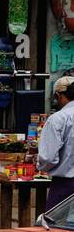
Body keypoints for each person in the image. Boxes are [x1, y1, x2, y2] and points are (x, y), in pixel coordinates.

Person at [39, 76, 74, 211]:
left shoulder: (58, 119)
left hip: (65, 185)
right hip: (65, 182)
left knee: (56, 228)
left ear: (58, 96)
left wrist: (42, 167)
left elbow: (48, 158)